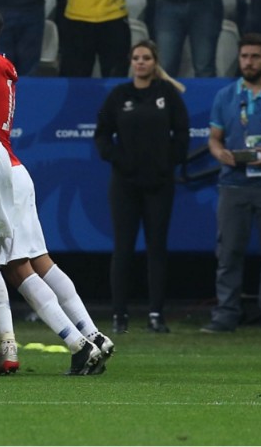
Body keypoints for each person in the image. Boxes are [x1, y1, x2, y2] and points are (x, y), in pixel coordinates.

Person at [0, 4, 112, 375]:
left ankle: (77, 342)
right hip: (10, 166)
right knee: (38, 261)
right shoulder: (2, 64)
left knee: (14, 265)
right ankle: (92, 334)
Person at [203, 33, 261, 334]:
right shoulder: (225, 96)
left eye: (255, 56)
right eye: (244, 56)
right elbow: (214, 139)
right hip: (233, 183)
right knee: (228, 252)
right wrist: (222, 156)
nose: (248, 62)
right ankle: (225, 315)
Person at [94, 40, 189, 334]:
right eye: (136, 58)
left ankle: (156, 314)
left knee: (156, 248)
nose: (141, 62)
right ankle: (119, 316)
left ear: (155, 62)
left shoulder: (167, 94)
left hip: (159, 183)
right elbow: (102, 135)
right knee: (122, 248)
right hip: (125, 183)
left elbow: (183, 133)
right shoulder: (119, 95)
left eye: (146, 58)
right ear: (131, 62)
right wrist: (120, 161)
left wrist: (168, 162)